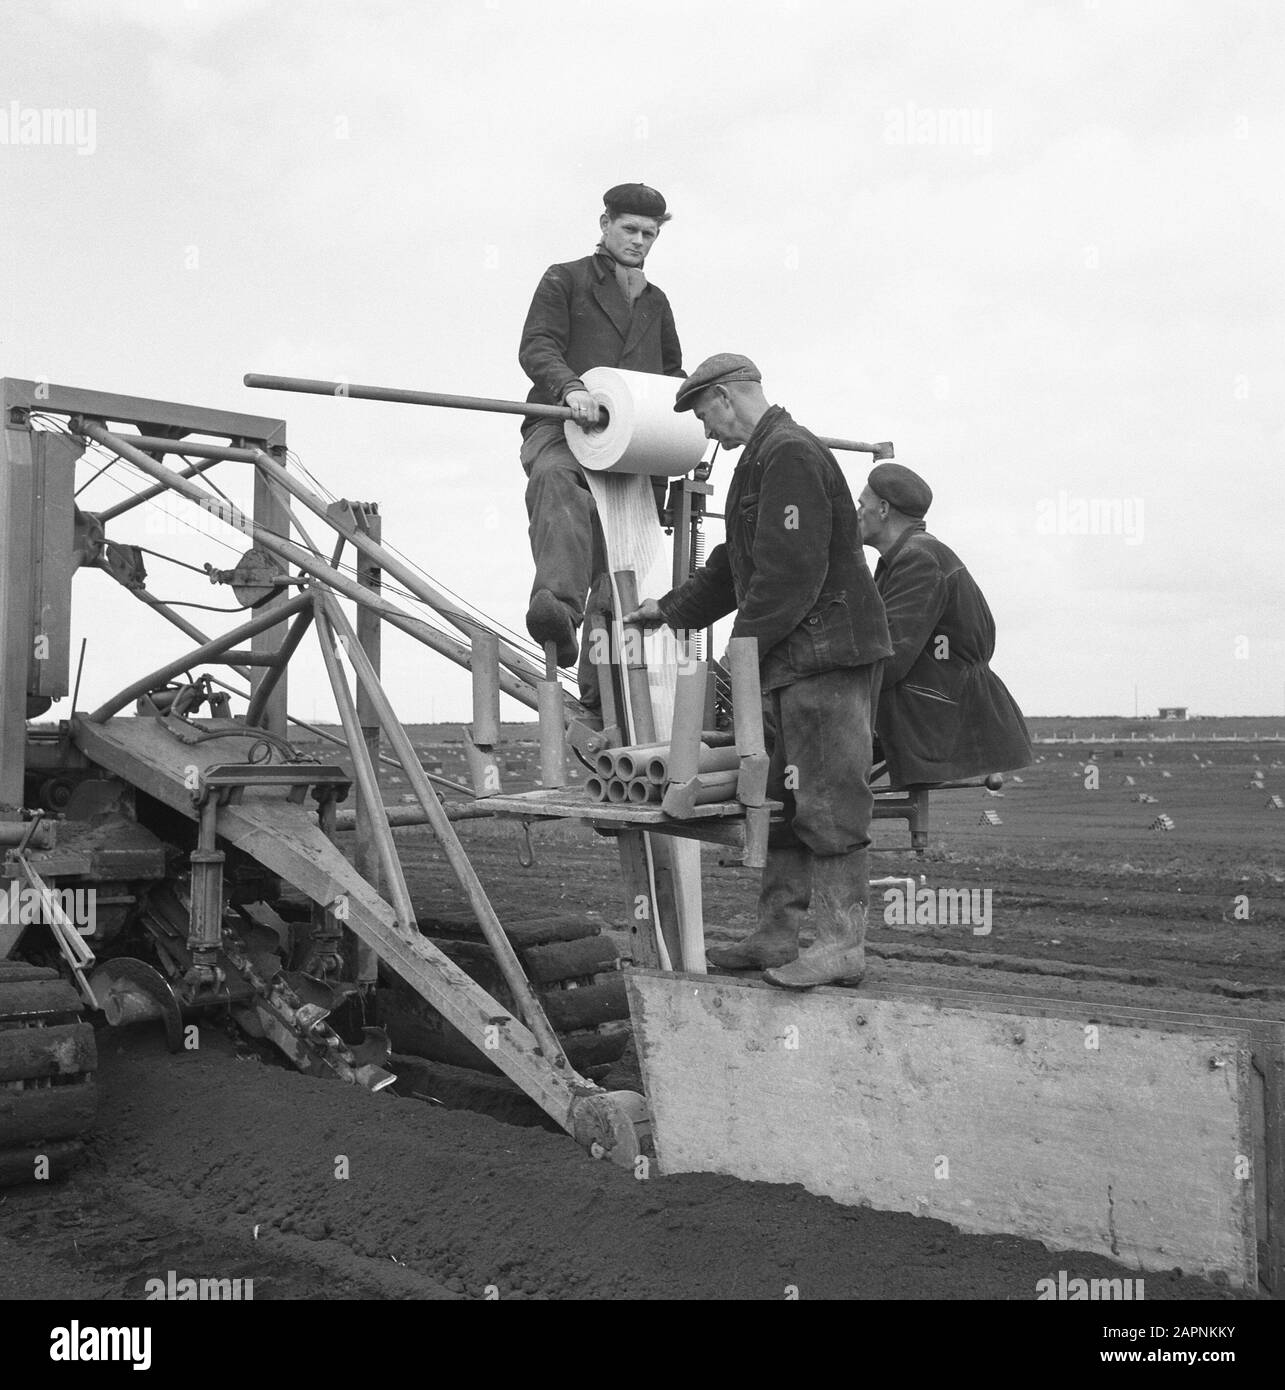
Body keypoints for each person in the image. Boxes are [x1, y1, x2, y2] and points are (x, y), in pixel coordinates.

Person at [625, 354, 892, 990]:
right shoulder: (762, 459)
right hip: (790, 660)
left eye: (703, 417)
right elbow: (733, 563)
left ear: (724, 397)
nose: (707, 435)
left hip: (826, 658)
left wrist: (738, 654)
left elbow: (790, 572)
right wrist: (669, 609)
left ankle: (840, 946)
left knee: (828, 799)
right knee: (787, 797)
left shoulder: (791, 453)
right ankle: (777, 937)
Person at [518, 182, 684, 703]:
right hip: (567, 425)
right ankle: (557, 609)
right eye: (630, 229)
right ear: (605, 224)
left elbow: (671, 376)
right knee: (556, 480)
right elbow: (537, 345)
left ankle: (604, 696)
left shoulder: (657, 303)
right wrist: (572, 388)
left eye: (649, 234)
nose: (639, 241)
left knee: (624, 569)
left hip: (636, 449)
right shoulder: (563, 280)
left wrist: (685, 425)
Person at [856, 462, 1032, 786]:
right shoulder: (911, 555)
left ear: (882, 509)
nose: (857, 514)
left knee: (805, 741)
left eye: (861, 505)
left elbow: (889, 658)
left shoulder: (917, 559)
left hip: (934, 717)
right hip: (940, 706)